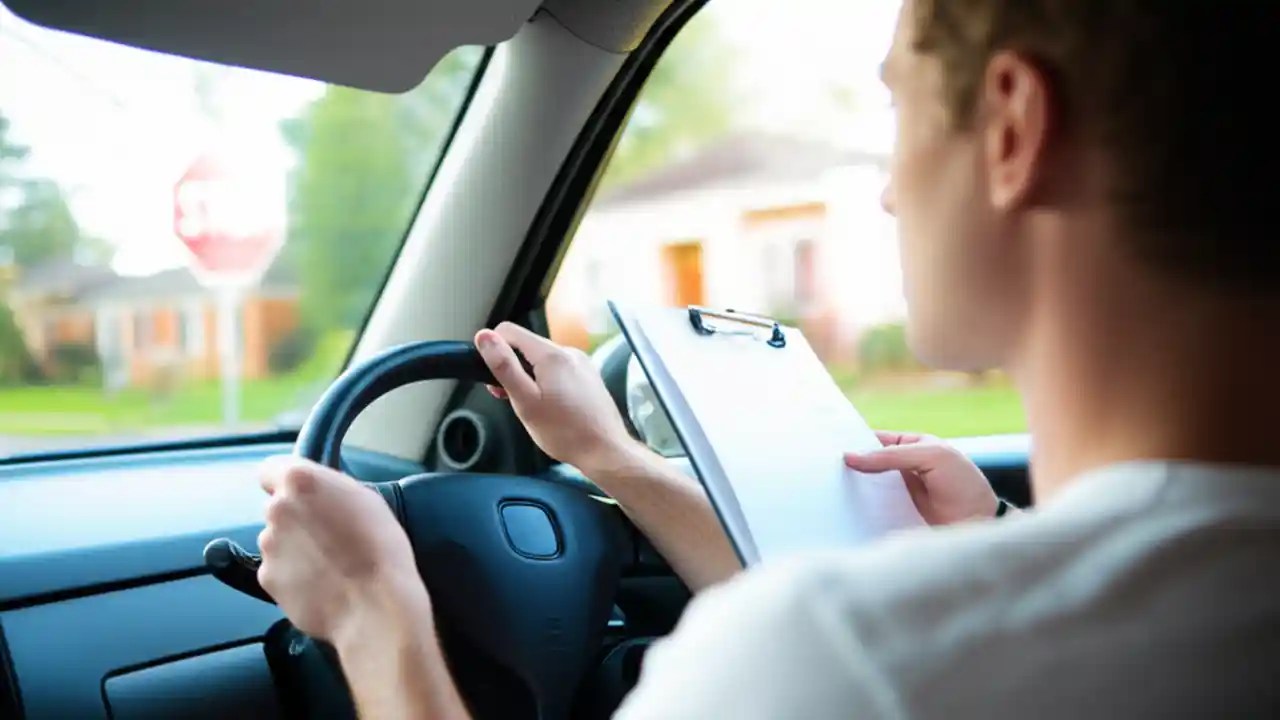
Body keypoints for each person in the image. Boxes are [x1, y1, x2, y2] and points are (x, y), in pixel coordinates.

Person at [252, 0, 1280, 717]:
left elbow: (844, 656)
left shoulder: (856, 660)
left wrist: (374, 616)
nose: (886, 192)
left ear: (1011, 127)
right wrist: (613, 461)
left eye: (899, 111)